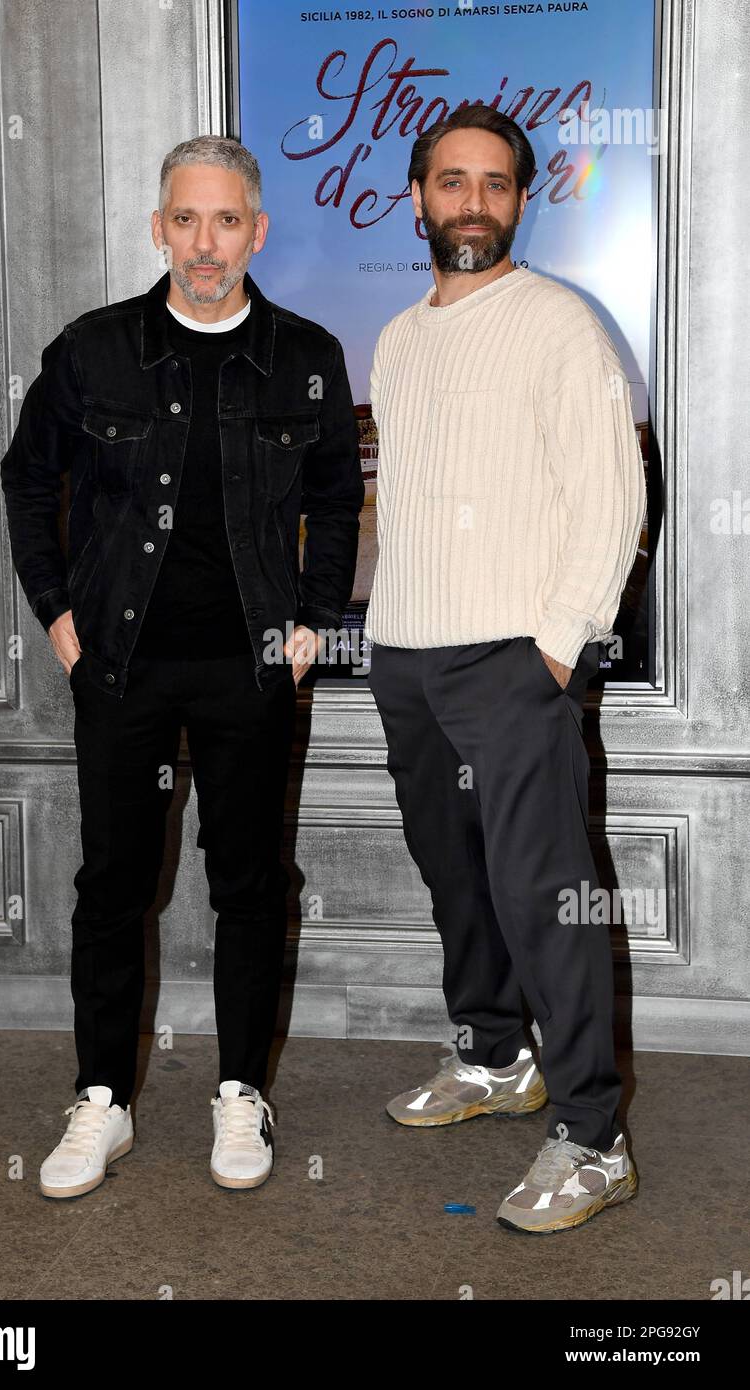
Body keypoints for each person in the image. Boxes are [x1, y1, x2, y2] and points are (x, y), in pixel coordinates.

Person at [0, 135, 363, 1198]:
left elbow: (336, 497)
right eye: (186, 220)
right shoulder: (93, 349)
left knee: (249, 885)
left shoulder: (306, 353)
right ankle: (101, 1098)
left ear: (255, 228)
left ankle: (242, 1088)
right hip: (119, 666)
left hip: (251, 669)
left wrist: (308, 625)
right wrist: (59, 619)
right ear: (159, 227)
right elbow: (27, 484)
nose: (205, 245)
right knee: (114, 885)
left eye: (226, 221)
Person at [365, 107, 646, 1234]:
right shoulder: (393, 337)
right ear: (417, 196)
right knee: (458, 882)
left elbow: (612, 495)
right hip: (407, 655)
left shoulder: (557, 323)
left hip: (513, 661)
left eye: (493, 184)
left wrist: (555, 642)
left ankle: (592, 1135)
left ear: (519, 201)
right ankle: (491, 1057)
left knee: (545, 902)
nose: (471, 201)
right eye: (450, 182)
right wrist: (388, 640)